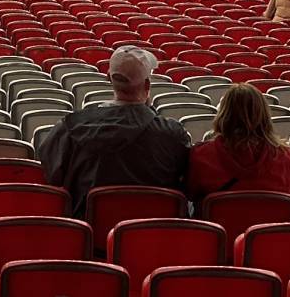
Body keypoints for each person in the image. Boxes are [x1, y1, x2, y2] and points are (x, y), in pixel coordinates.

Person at [33, 46, 196, 215]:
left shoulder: (71, 128)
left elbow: (51, 177)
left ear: (109, 77)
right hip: (152, 235)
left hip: (89, 234)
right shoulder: (172, 134)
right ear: (147, 84)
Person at [188, 84, 290, 210]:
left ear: (223, 115)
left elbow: (190, 192)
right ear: (264, 116)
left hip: (222, 228)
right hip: (272, 228)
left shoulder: (201, 156)